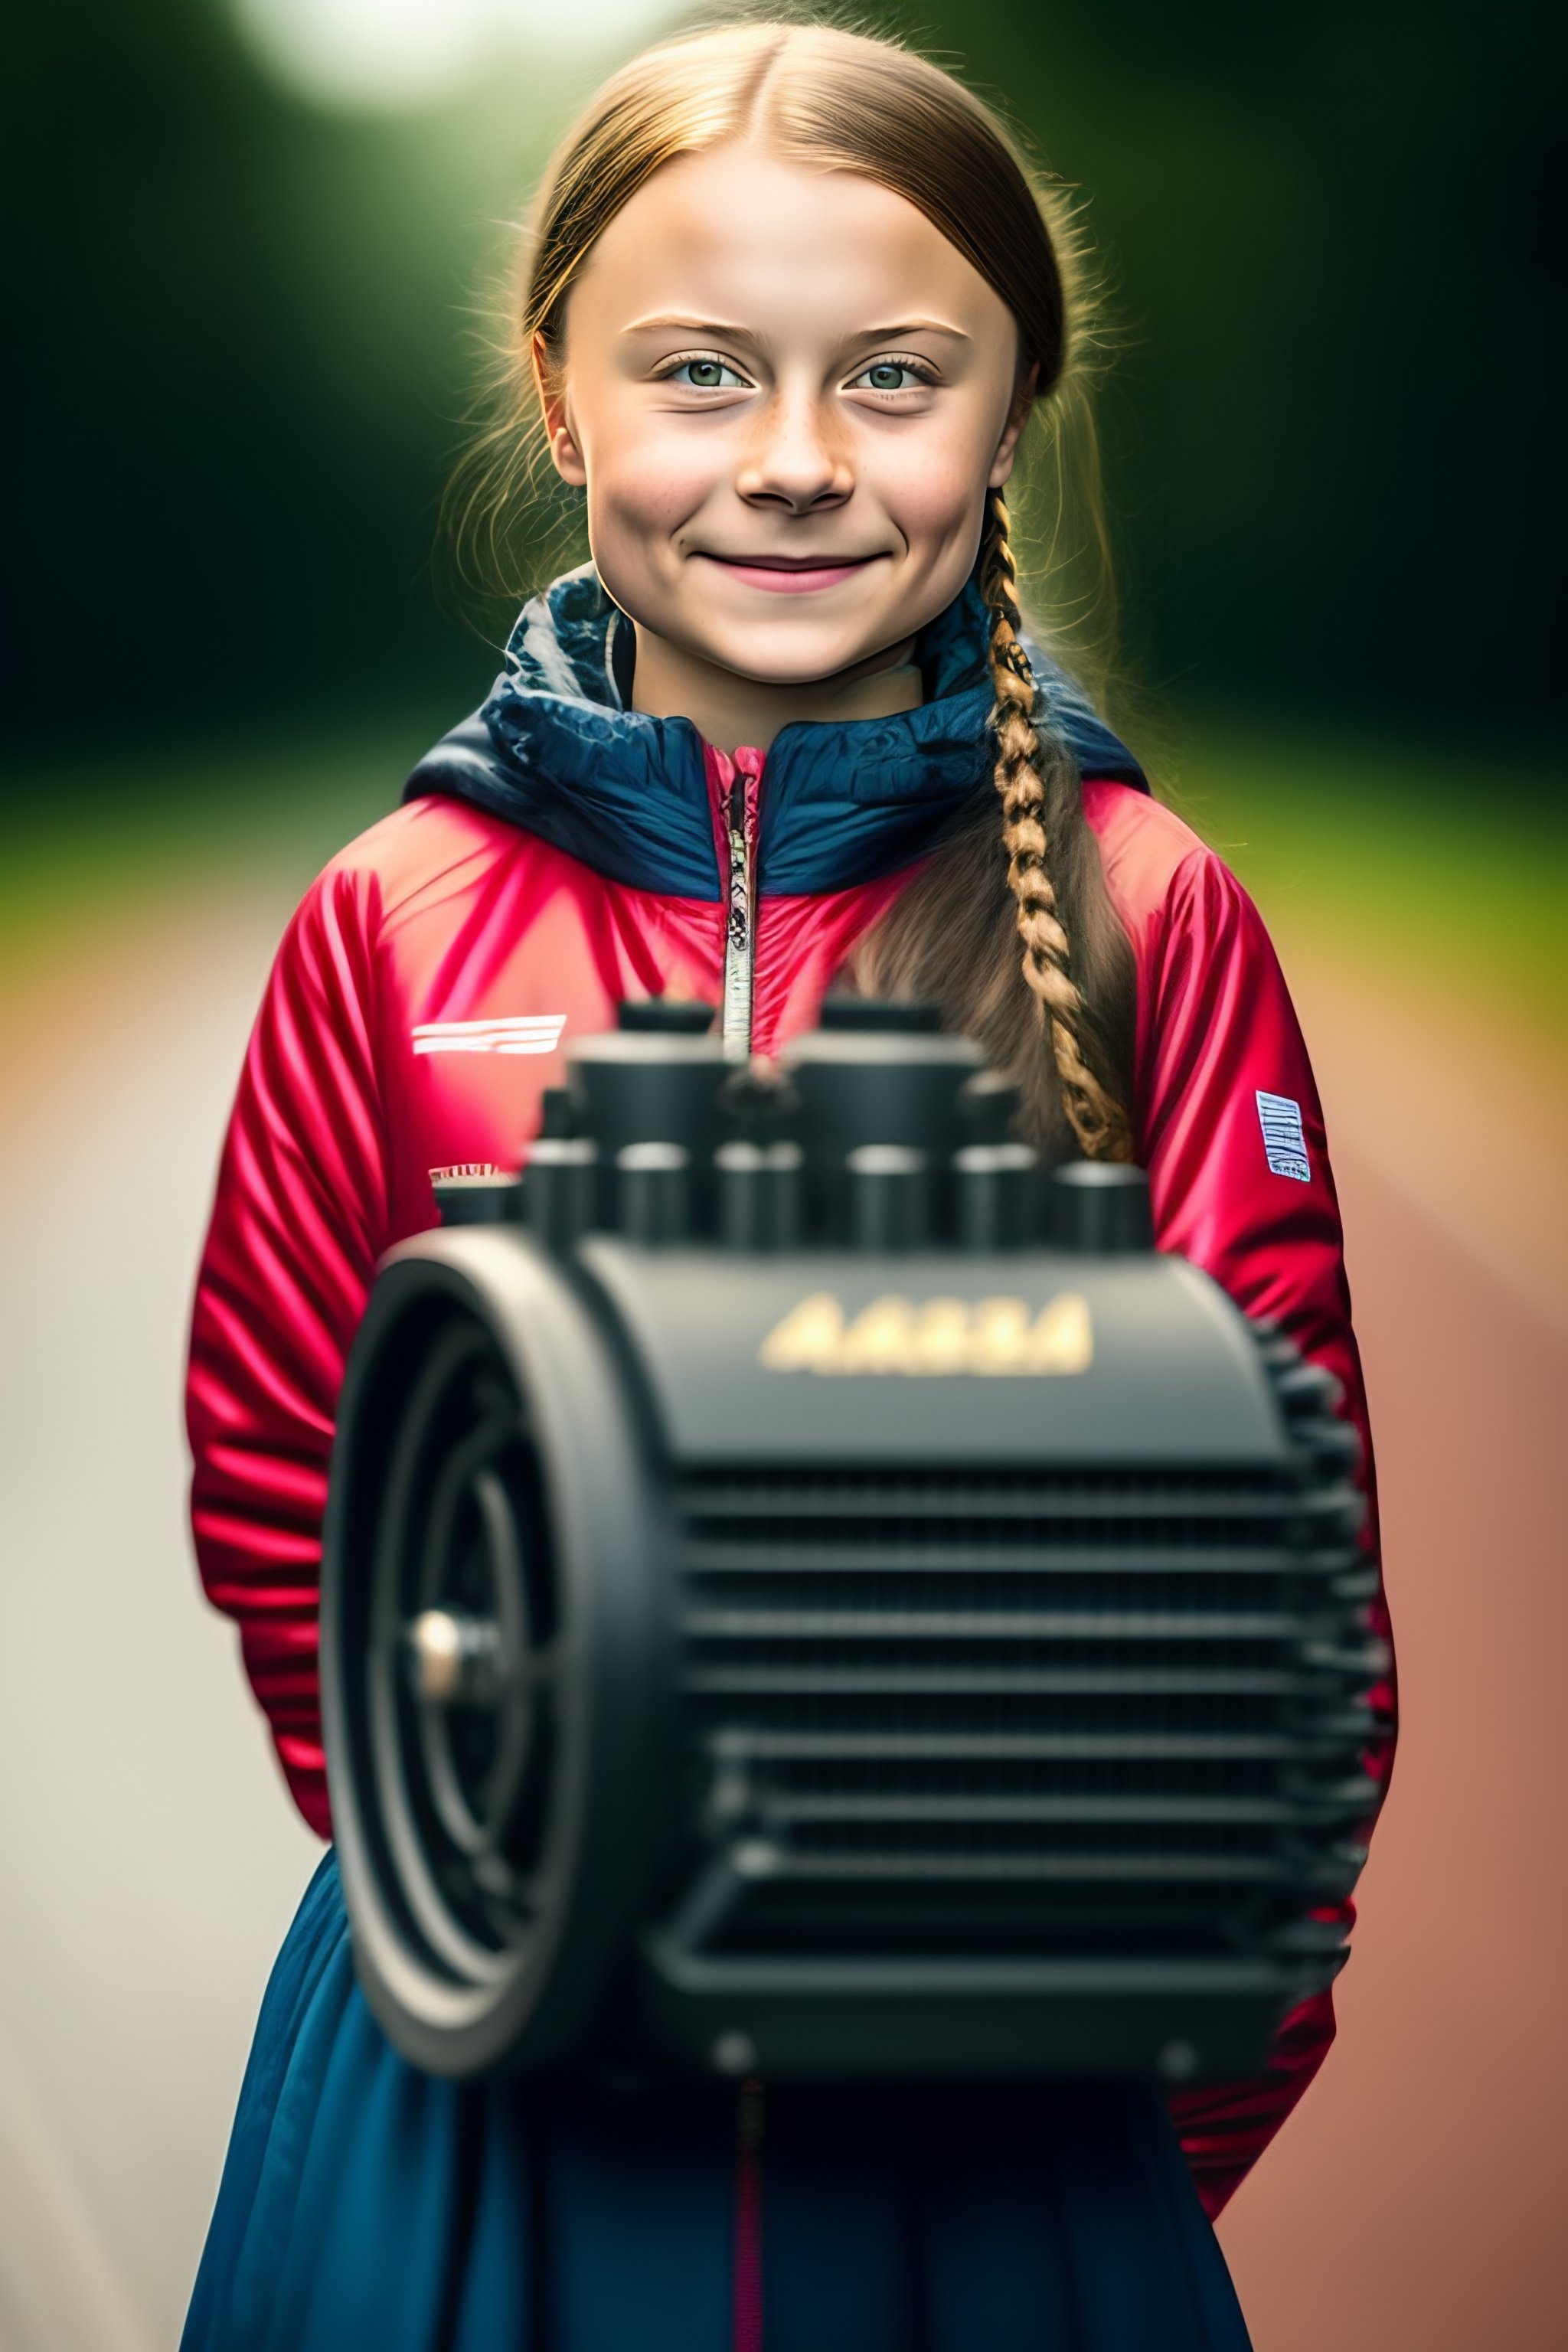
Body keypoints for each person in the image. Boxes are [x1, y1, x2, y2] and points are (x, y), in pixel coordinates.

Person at [180, 19, 1393, 2350]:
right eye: (707, 374)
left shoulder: (1153, 916)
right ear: (562, 401)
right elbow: (288, 1508)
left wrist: (1085, 2128)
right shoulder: (387, 920)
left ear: (1008, 410)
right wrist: (545, 1922)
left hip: (996, 2133)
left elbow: (1293, 1612)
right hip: (470, 2129)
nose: (805, 465)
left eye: (898, 376)